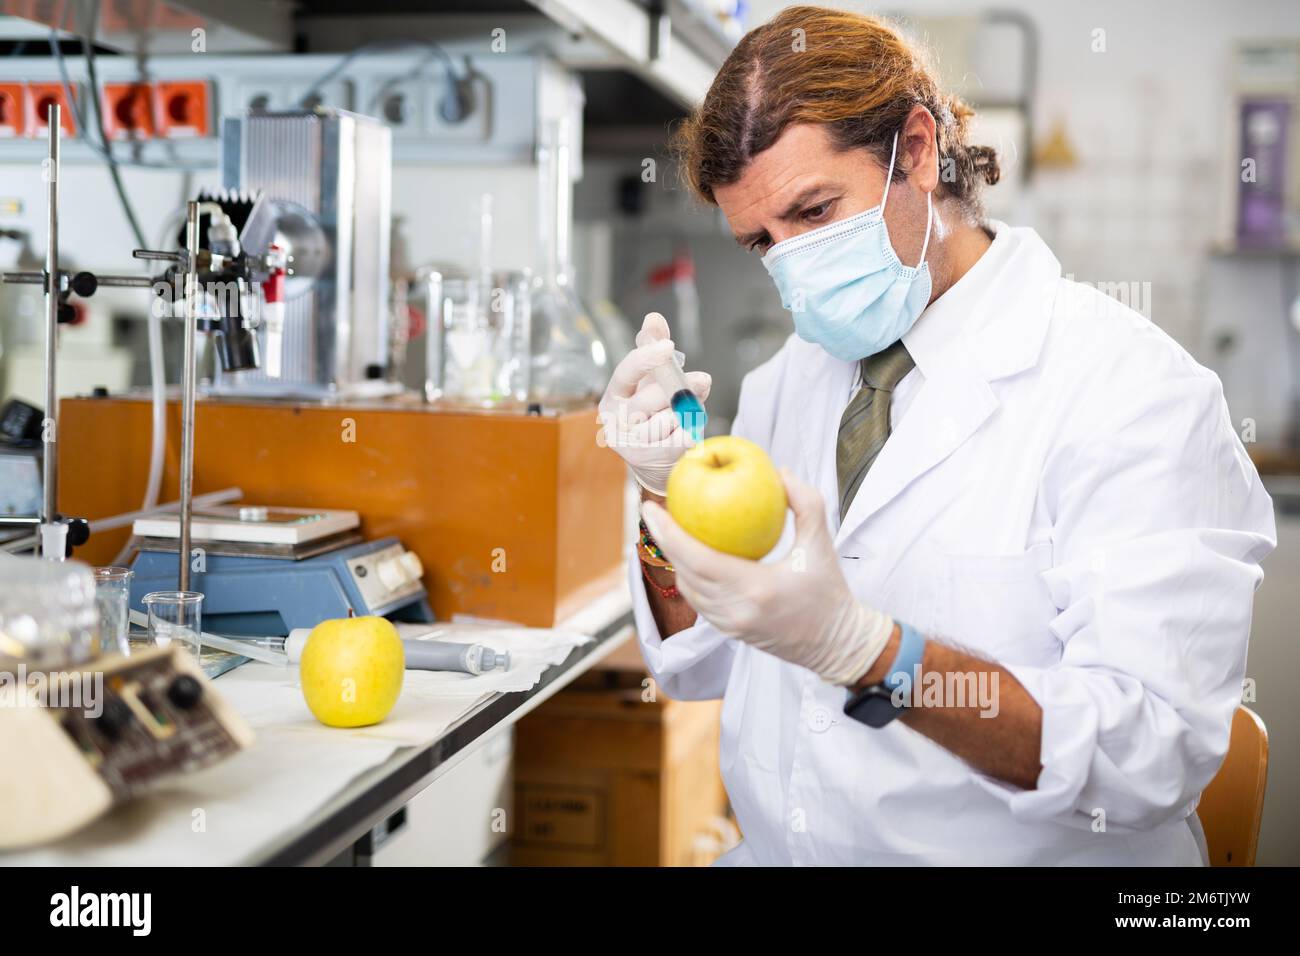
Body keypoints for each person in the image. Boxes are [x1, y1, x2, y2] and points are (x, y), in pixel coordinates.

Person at [598, 6, 1276, 866]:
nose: (791, 264)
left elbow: (1147, 754)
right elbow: (699, 663)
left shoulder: (1135, 394)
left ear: (916, 151)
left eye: (813, 212)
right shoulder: (791, 381)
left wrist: (872, 655)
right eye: (761, 242)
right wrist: (663, 496)